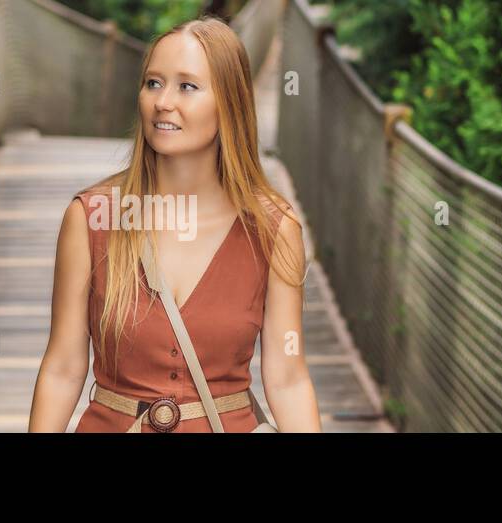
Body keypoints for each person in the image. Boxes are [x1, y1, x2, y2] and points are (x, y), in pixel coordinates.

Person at [28, 16, 321, 432]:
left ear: (230, 103)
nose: (163, 101)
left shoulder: (273, 229)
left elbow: (288, 380)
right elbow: (62, 367)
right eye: (153, 83)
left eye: (187, 86)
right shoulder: (92, 218)